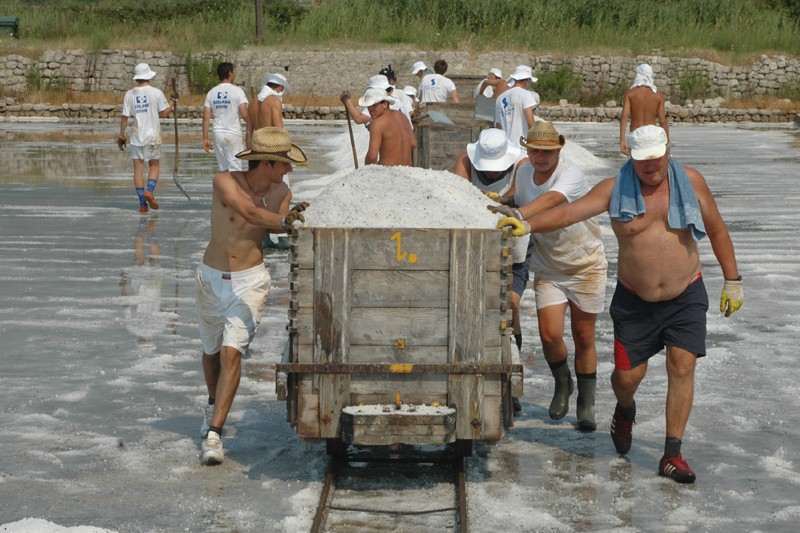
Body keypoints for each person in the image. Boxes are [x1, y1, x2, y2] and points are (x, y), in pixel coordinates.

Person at [495, 125, 743, 483]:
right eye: (643, 160)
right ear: (631, 157)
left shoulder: (690, 181)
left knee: (682, 365)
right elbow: (568, 214)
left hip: (685, 293)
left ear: (667, 150)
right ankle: (625, 409)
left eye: (656, 158)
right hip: (635, 301)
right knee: (626, 379)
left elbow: (716, 227)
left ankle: (672, 454)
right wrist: (526, 224)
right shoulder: (614, 189)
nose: (651, 166)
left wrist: (732, 279)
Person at [196, 127, 309, 465]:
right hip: (211, 279)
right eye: (284, 163)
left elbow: (274, 226)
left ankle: (215, 433)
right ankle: (213, 402)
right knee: (211, 353)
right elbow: (249, 212)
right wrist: (284, 221)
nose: (289, 169)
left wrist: (295, 220)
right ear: (268, 163)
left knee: (232, 354)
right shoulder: (224, 181)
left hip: (250, 281)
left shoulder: (282, 193)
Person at [494, 122, 608, 431]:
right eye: (535, 151)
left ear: (559, 150)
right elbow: (513, 197)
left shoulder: (569, 174)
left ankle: (586, 402)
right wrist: (493, 202)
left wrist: (520, 216)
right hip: (549, 265)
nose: (541, 157)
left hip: (585, 263)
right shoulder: (522, 171)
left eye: (547, 152)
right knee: (549, 334)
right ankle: (563, 382)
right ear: (527, 150)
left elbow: (552, 201)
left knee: (583, 336)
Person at [452, 129, 527, 414]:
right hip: (476, 242)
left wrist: (502, 199)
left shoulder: (521, 164)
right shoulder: (466, 162)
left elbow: (520, 193)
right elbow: (455, 192)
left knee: (510, 306)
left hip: (513, 242)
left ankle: (512, 377)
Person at [118, 63, 173, 214]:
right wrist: (173, 104)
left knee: (138, 170)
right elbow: (164, 114)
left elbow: (124, 117)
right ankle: (149, 190)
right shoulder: (156, 93)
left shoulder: (130, 94)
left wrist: (121, 135)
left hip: (136, 136)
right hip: (152, 136)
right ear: (149, 76)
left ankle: (142, 203)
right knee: (154, 165)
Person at [202, 62, 250, 172]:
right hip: (233, 133)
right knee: (235, 168)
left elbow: (206, 117)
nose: (234, 75)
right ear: (229, 73)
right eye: (233, 72)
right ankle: (235, 189)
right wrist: (252, 125)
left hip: (218, 133)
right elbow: (244, 113)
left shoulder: (211, 92)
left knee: (223, 169)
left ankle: (224, 188)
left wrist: (205, 138)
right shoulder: (237, 91)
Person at [358, 87, 415, 166]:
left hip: (389, 172)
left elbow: (372, 156)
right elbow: (413, 144)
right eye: (368, 106)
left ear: (385, 104)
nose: (370, 109)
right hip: (408, 169)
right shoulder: (403, 117)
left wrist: (365, 171)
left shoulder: (377, 123)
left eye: (374, 105)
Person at [619, 63, 668, 155]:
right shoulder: (658, 95)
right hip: (653, 137)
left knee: (636, 165)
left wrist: (622, 140)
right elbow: (662, 121)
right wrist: (667, 141)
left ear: (638, 75)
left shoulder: (630, 94)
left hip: (636, 136)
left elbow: (624, 117)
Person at [495, 65, 540, 149]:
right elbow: (530, 122)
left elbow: (498, 126)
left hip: (505, 148)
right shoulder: (526, 94)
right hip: (521, 146)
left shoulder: (500, 98)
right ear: (527, 80)